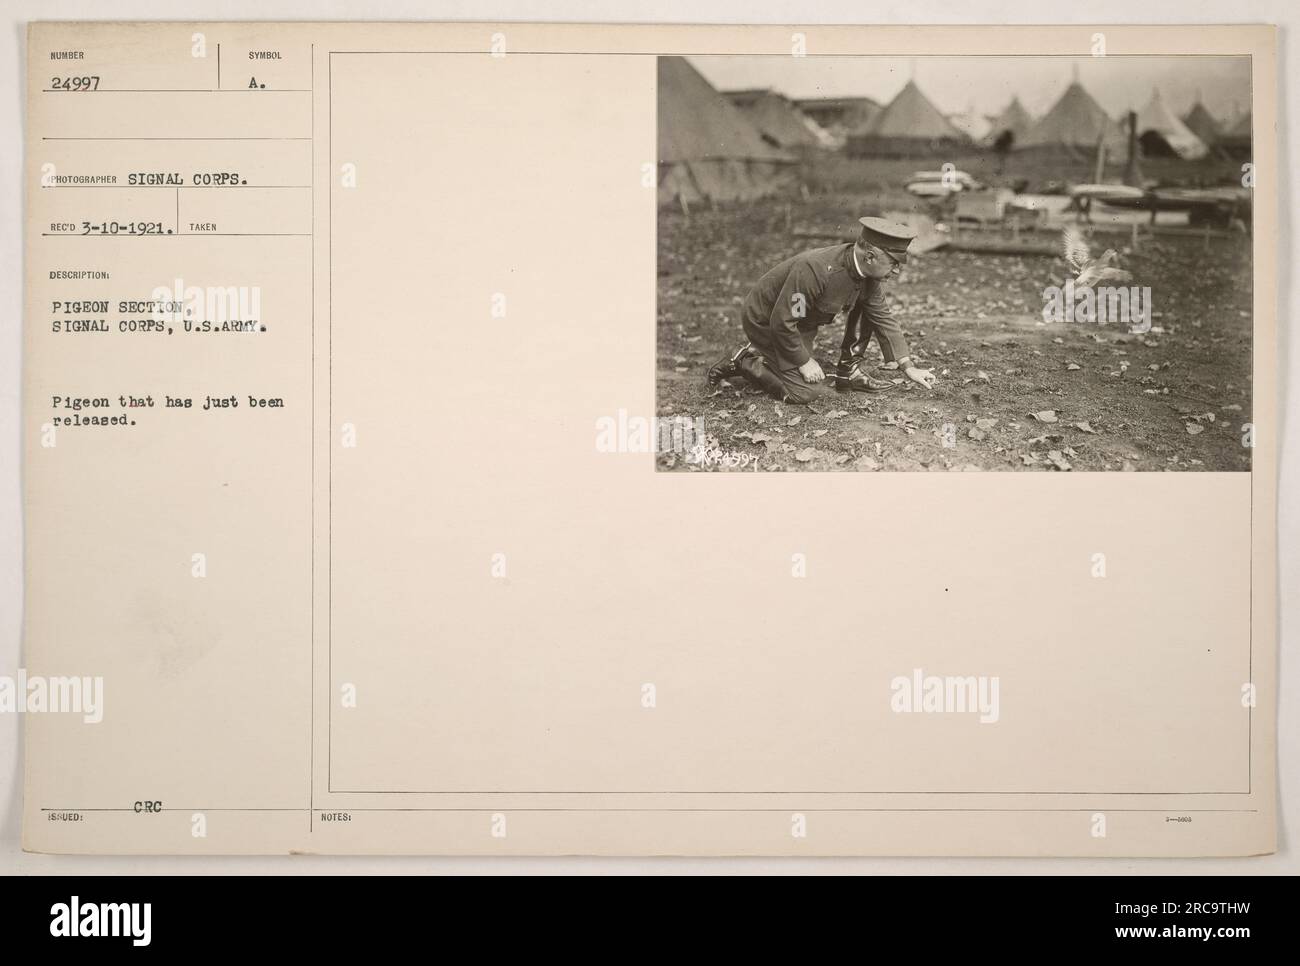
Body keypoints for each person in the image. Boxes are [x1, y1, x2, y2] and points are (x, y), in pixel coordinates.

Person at [707, 216, 936, 404]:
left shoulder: (869, 275)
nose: (896, 271)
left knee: (867, 307)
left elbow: (882, 317)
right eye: (894, 263)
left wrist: (908, 367)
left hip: (800, 323)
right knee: (805, 393)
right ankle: (744, 361)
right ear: (869, 256)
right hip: (766, 320)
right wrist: (804, 361)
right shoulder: (816, 269)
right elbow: (783, 321)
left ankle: (845, 369)